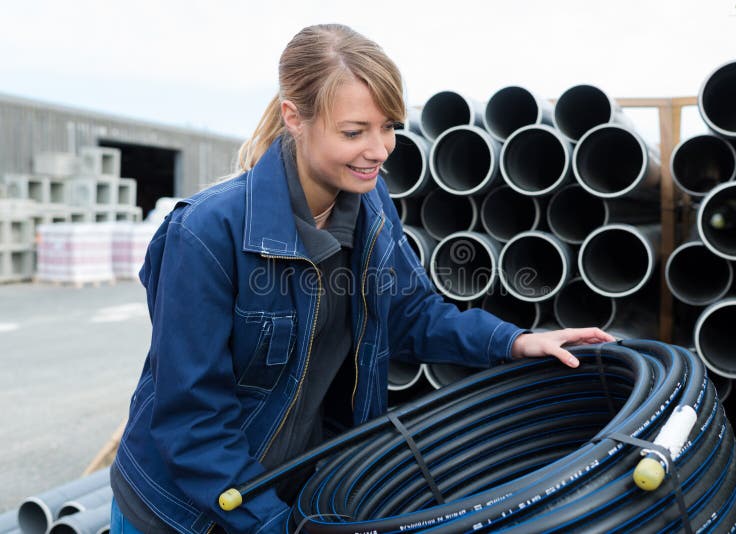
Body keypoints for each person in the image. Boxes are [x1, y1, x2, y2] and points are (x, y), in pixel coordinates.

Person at [109, 23, 615, 534]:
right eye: (354, 132)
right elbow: (192, 421)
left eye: (389, 125)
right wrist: (273, 525)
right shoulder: (206, 233)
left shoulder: (371, 204)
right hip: (186, 514)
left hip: (297, 494)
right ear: (294, 118)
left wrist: (516, 342)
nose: (380, 149)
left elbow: (411, 315)